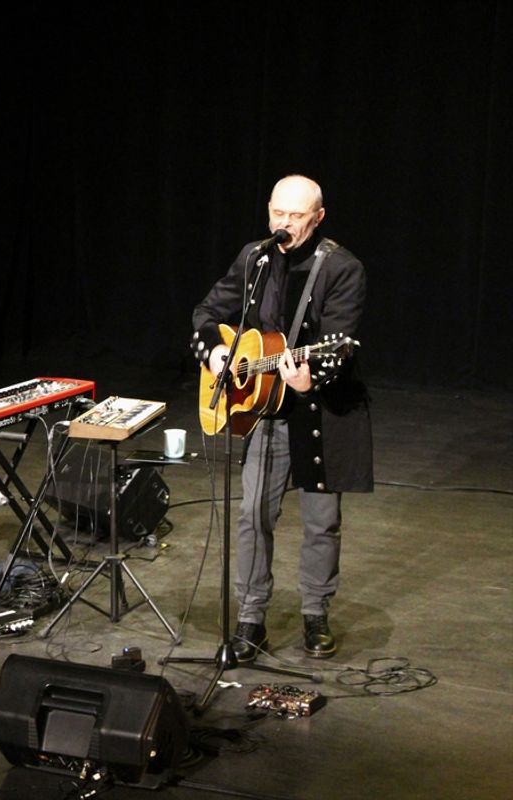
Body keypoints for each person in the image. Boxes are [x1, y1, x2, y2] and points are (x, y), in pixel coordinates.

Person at [191, 175, 372, 660]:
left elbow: (340, 344)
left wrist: (311, 378)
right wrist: (215, 357)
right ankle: (251, 619)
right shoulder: (256, 257)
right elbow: (207, 313)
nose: (285, 224)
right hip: (264, 408)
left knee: (321, 521)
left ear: (318, 216)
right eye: (278, 213)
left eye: (296, 216)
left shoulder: (343, 268)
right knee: (252, 515)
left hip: (321, 408)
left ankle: (316, 614)